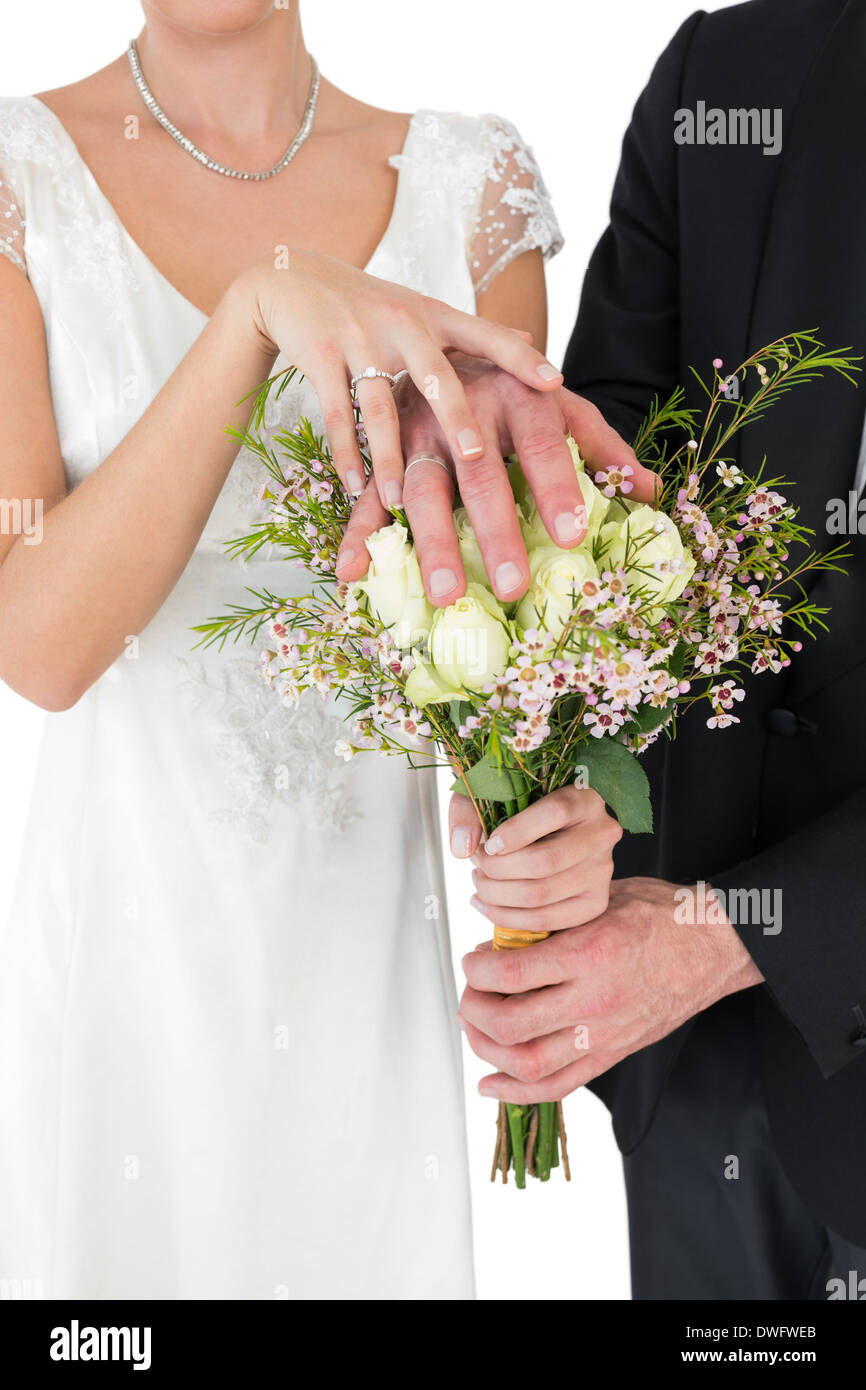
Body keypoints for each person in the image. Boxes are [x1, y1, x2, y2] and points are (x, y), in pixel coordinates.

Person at [0, 1, 634, 1299]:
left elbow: (508, 637)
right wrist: (251, 315)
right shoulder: (20, 178)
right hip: (128, 967)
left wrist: (559, 816)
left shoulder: (471, 187)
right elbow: (40, 647)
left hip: (371, 966)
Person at [378, 0, 866, 1302]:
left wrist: (728, 936)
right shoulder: (730, 69)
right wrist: (558, 792)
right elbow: (599, 518)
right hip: (685, 1077)